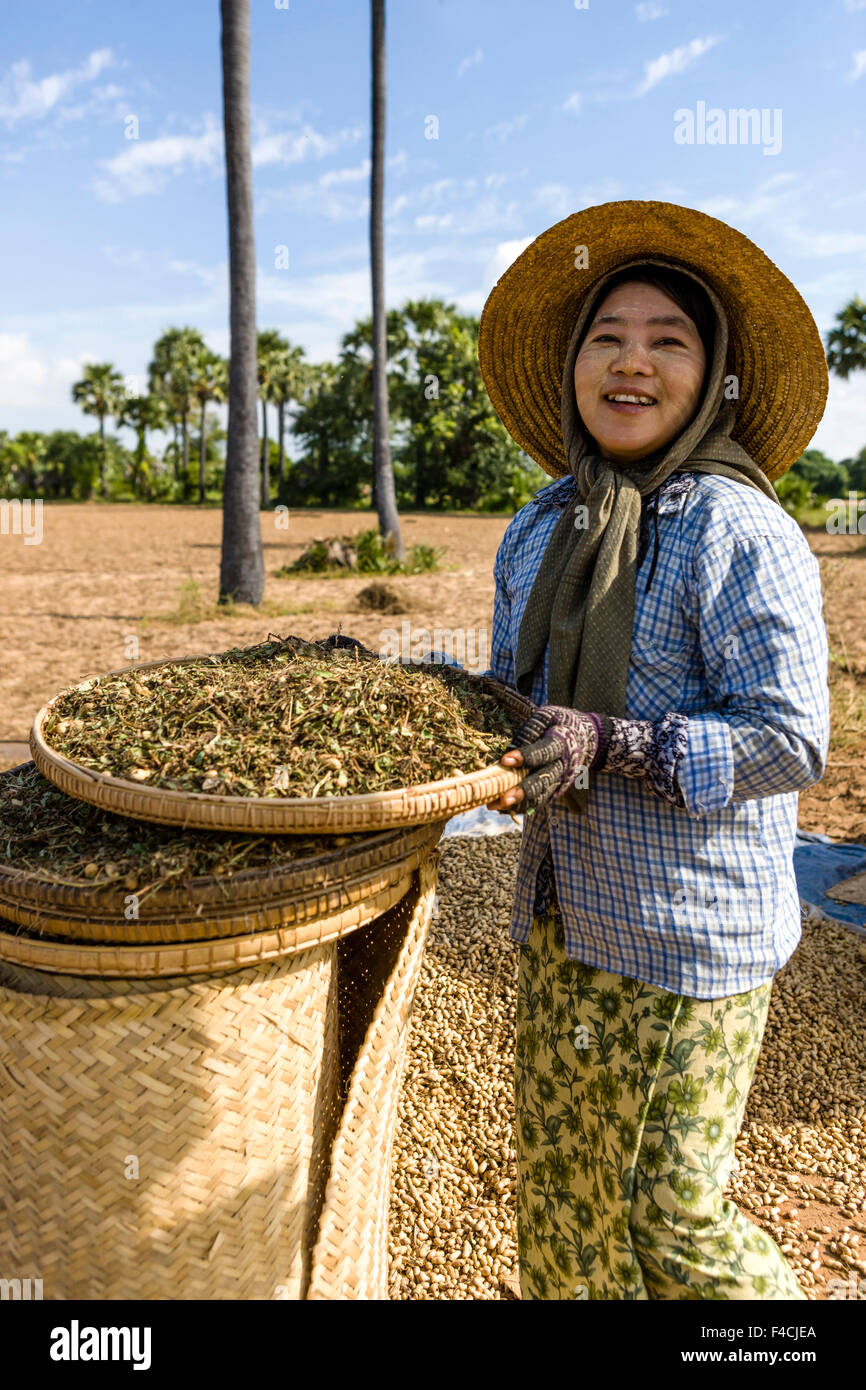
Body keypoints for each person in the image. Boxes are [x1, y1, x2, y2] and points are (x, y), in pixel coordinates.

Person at [474, 199, 831, 1300]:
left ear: (712, 375)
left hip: (685, 942)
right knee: (563, 1198)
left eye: (666, 341)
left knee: (668, 1216)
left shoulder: (734, 527)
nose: (631, 363)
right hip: (562, 918)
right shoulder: (543, 524)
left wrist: (611, 742)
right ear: (576, 363)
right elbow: (515, 706)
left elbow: (790, 738)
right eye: (606, 336)